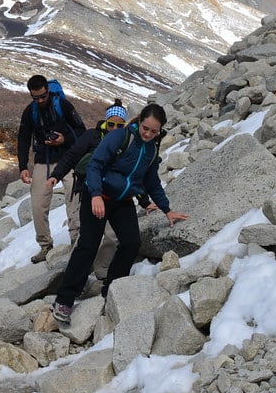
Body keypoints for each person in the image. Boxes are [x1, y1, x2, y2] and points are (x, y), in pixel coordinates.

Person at [52, 103, 188, 324]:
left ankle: (111, 289)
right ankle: (64, 300)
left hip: (122, 201)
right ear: (139, 121)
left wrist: (167, 209)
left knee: (131, 243)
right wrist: (95, 194)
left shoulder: (151, 150)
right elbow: (95, 165)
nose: (148, 134)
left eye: (154, 131)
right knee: (88, 244)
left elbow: (152, 182)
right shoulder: (120, 138)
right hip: (98, 196)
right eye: (145, 128)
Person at [47, 100, 145, 276]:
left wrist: (144, 200)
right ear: (106, 122)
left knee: (112, 234)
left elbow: (133, 174)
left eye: (119, 125)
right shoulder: (91, 136)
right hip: (87, 191)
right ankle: (74, 273)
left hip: (113, 194)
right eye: (111, 124)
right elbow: (72, 156)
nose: (115, 128)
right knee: (83, 234)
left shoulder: (126, 141)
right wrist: (56, 175)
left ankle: (102, 269)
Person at [17, 75, 87, 263]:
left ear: (48, 90)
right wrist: (23, 167)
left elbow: (82, 131)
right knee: (38, 205)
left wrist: (64, 139)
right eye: (35, 98)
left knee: (73, 199)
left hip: (69, 157)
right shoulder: (30, 112)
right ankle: (45, 246)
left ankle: (77, 242)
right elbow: (23, 139)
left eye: (42, 96)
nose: (40, 100)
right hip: (43, 161)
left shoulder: (63, 105)